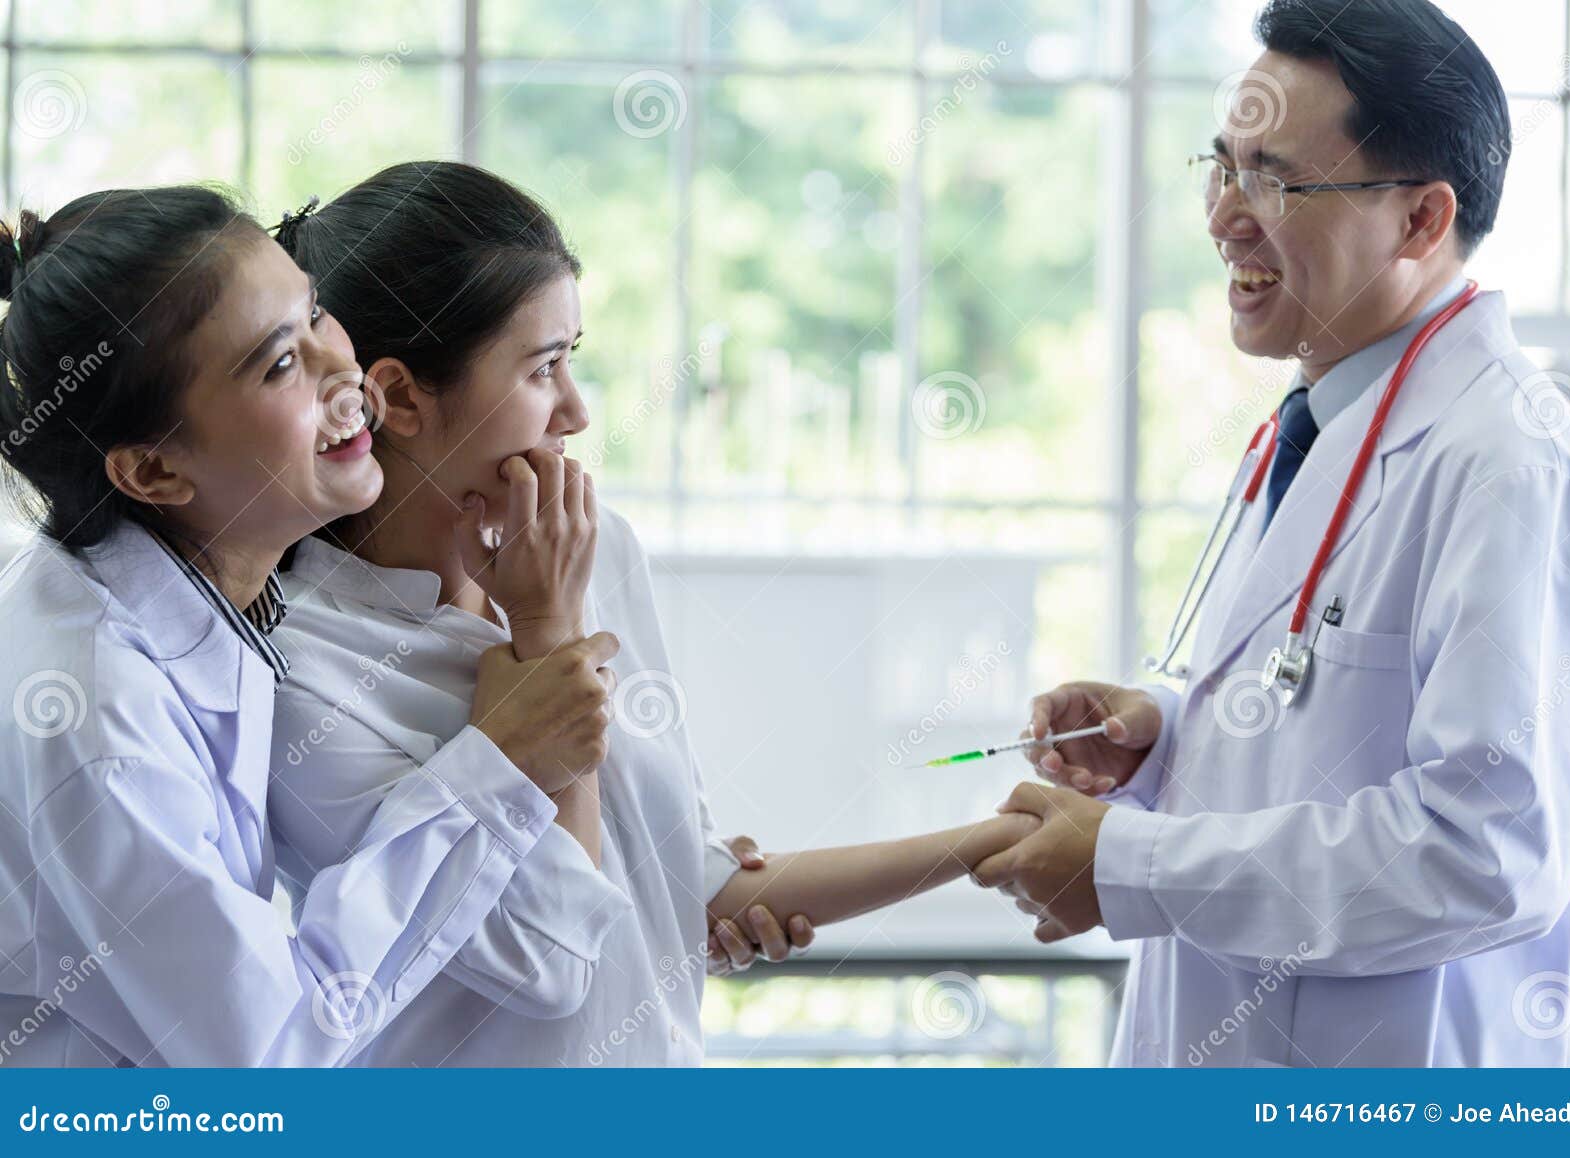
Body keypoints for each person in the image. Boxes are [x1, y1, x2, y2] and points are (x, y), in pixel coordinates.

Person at [267, 161, 1039, 1065]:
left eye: (574, 360)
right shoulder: (301, 666)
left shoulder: (597, 552)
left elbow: (702, 889)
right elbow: (547, 959)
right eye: (544, 368)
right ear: (397, 398)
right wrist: (546, 630)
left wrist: (995, 842)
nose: (577, 412)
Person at [976, 0, 1570, 1066]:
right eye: (1220, 167)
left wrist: (1135, 867)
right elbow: (1336, 719)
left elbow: (1487, 850)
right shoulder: (1317, 421)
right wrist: (1168, 730)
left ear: (1418, 220)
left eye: (1273, 179)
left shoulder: (1506, 460)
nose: (1223, 214)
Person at [0, 186, 616, 1064]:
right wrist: (498, 765)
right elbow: (271, 1047)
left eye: (317, 313)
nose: (344, 371)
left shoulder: (209, 611)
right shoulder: (100, 716)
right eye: (278, 363)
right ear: (152, 470)